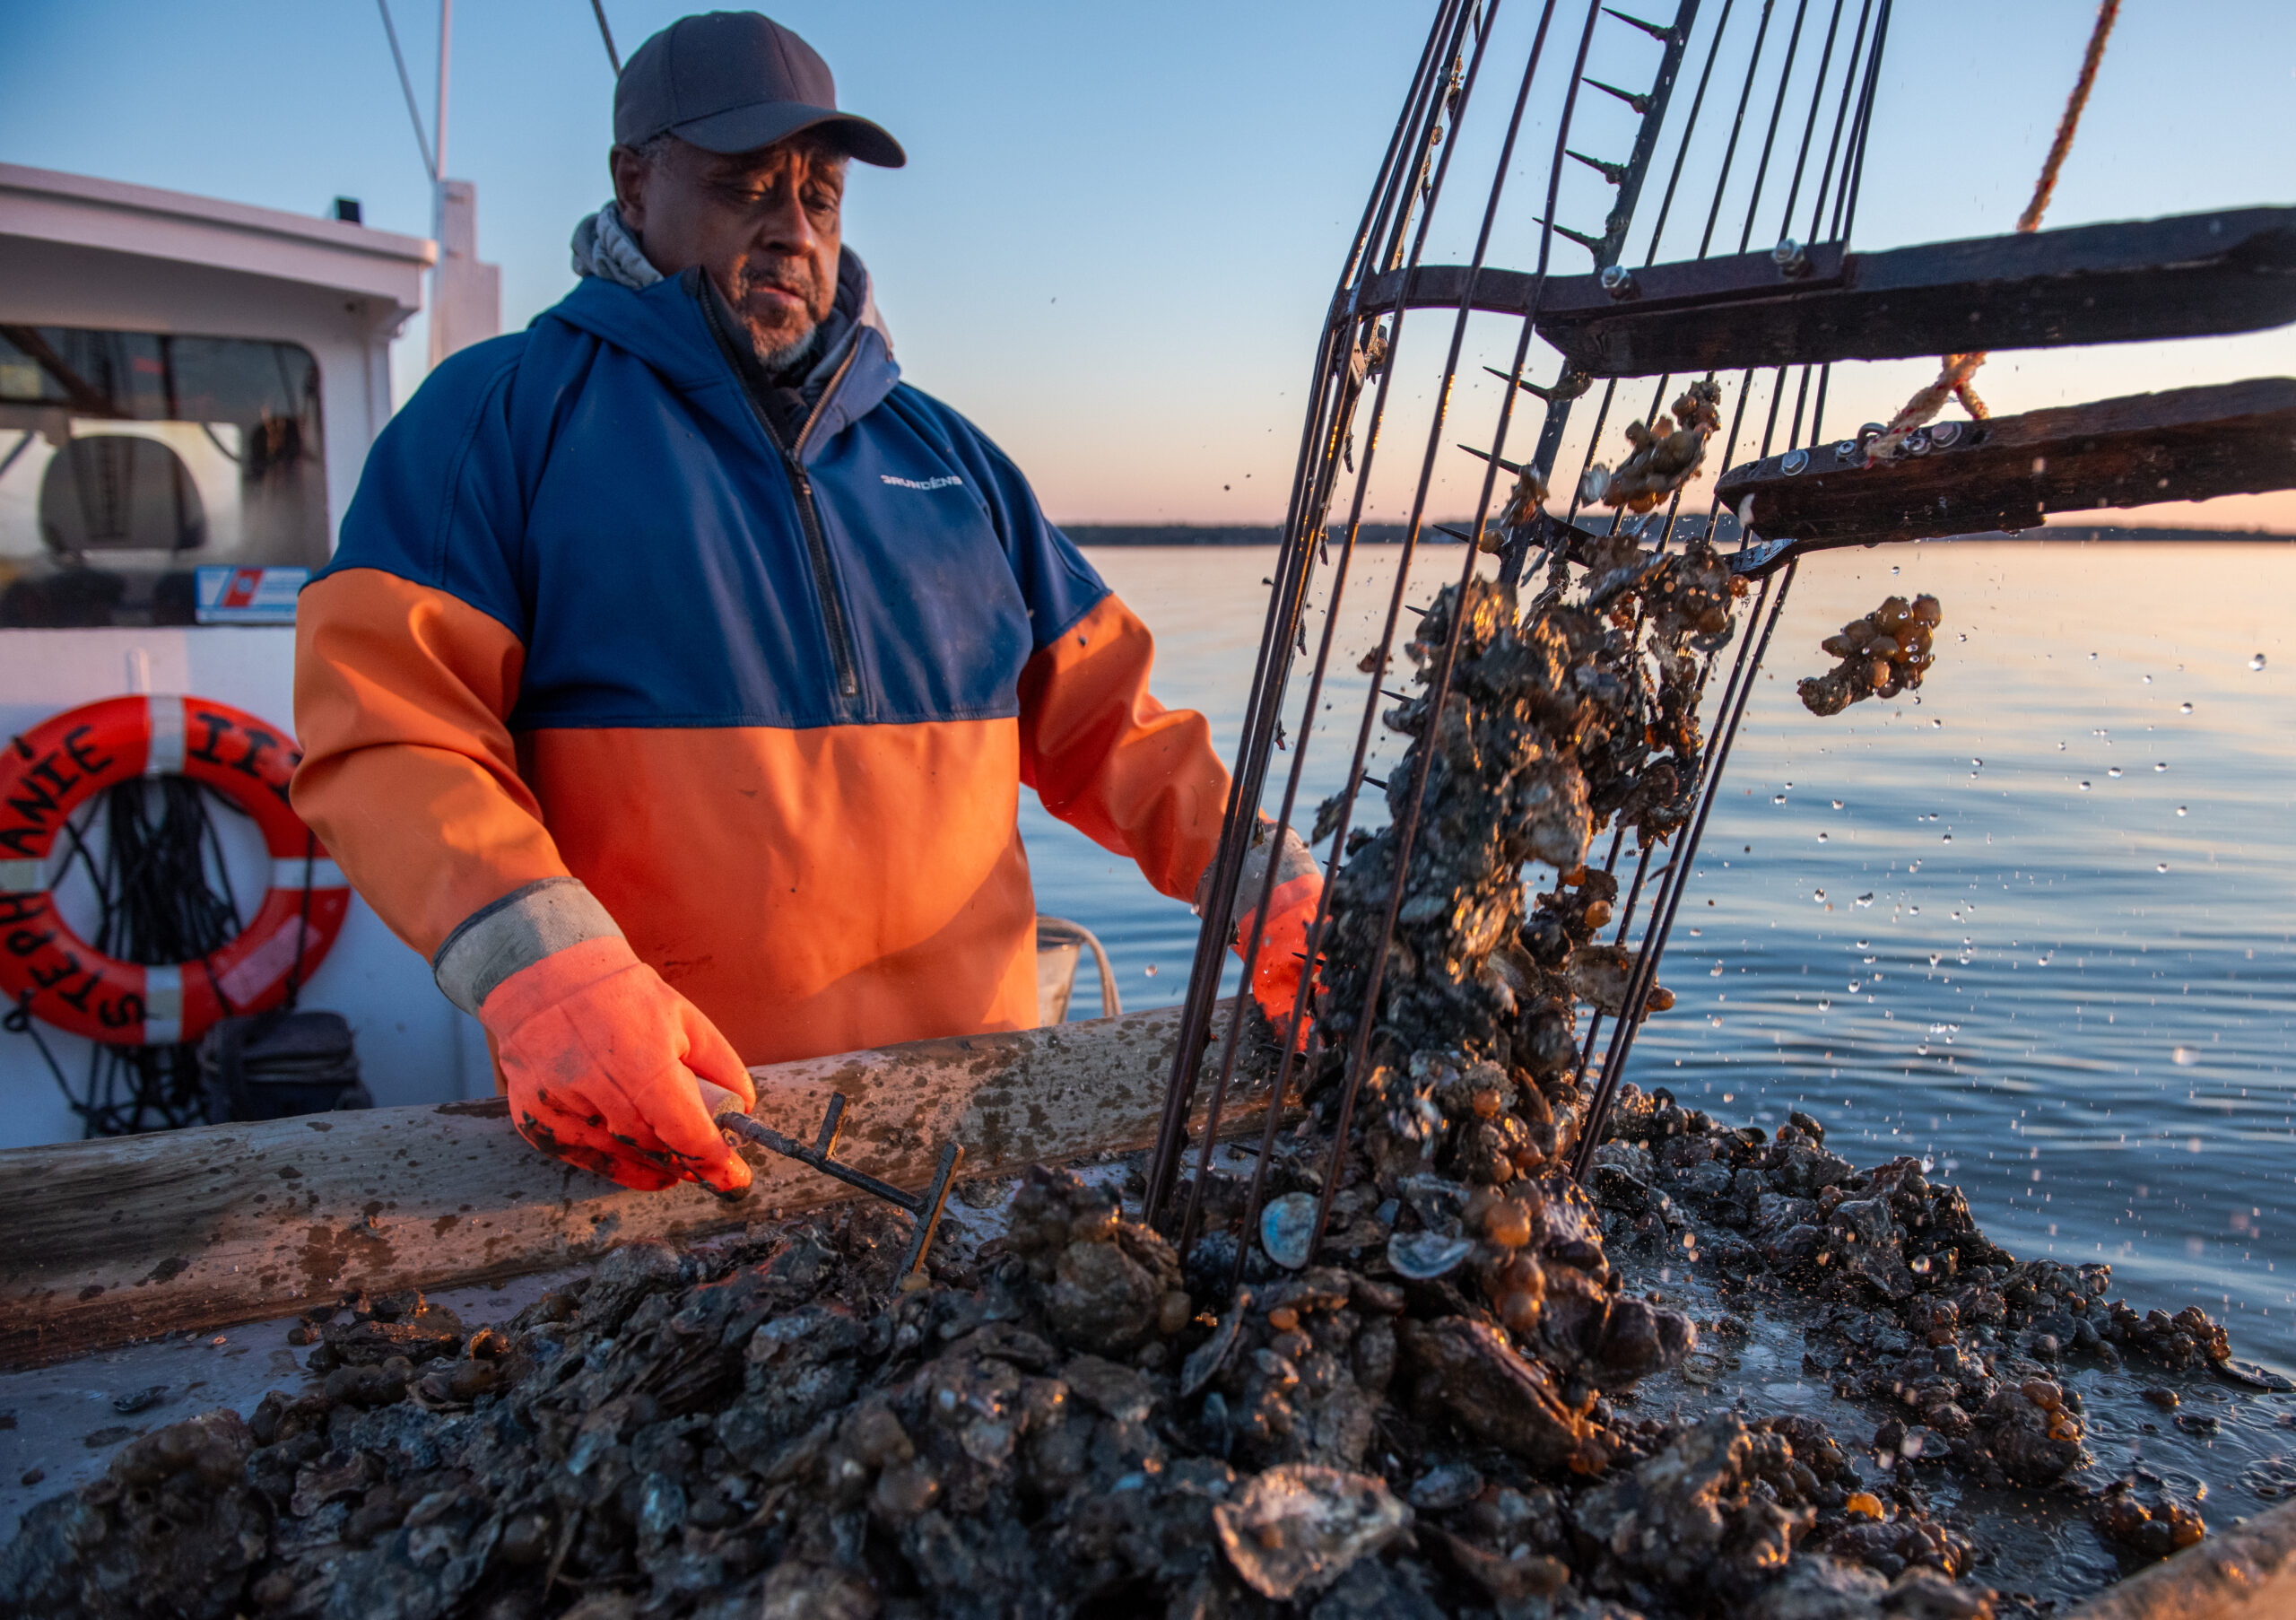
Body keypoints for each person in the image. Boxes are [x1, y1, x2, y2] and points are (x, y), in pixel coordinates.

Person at [291, 12, 1318, 1197]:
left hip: (977, 1137)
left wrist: (1268, 880)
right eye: (744, 187)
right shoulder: (498, 418)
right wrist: (544, 971)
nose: (790, 228)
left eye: (819, 198)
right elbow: (386, 726)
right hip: (677, 1145)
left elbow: (1113, 726)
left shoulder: (955, 459)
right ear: (635, 181)